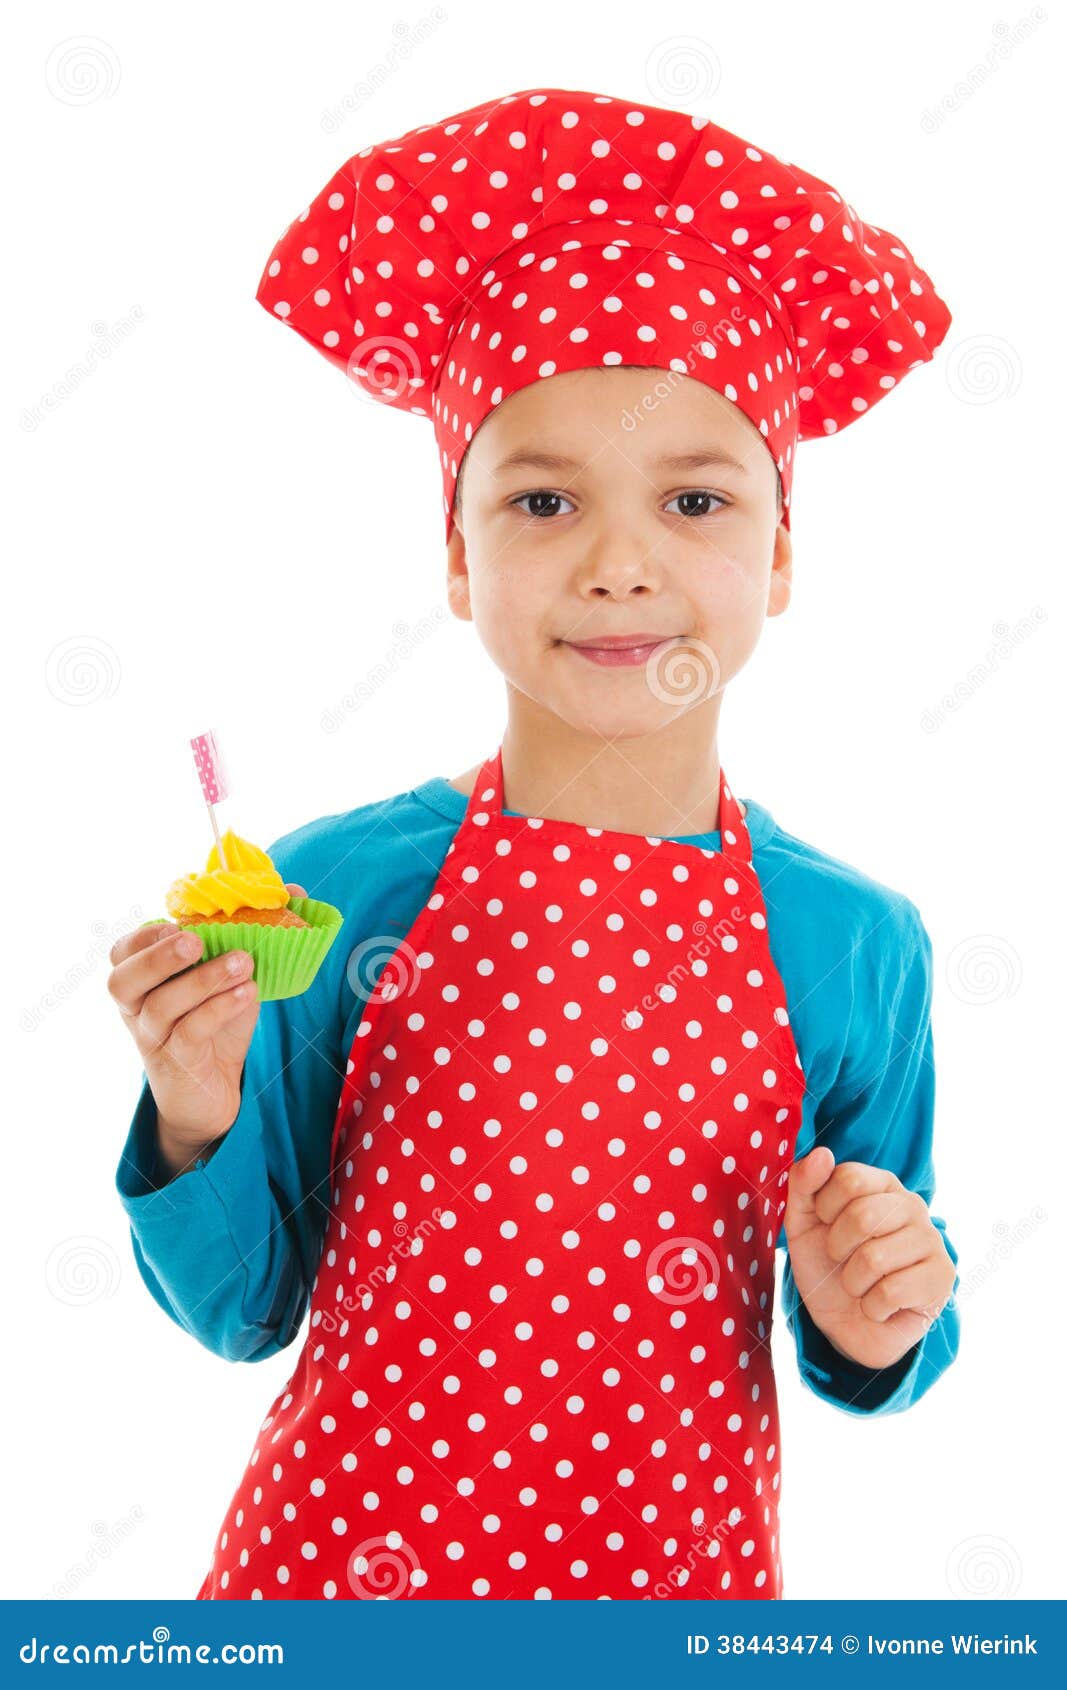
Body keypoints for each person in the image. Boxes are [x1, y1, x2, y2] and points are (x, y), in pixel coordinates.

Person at [108, 86, 960, 1601]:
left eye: (694, 496)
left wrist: (877, 1306)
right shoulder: (328, 891)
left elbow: (884, 1314)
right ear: (456, 553)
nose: (620, 560)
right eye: (544, 498)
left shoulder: (855, 945)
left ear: (778, 553)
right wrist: (193, 1109)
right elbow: (240, 1307)